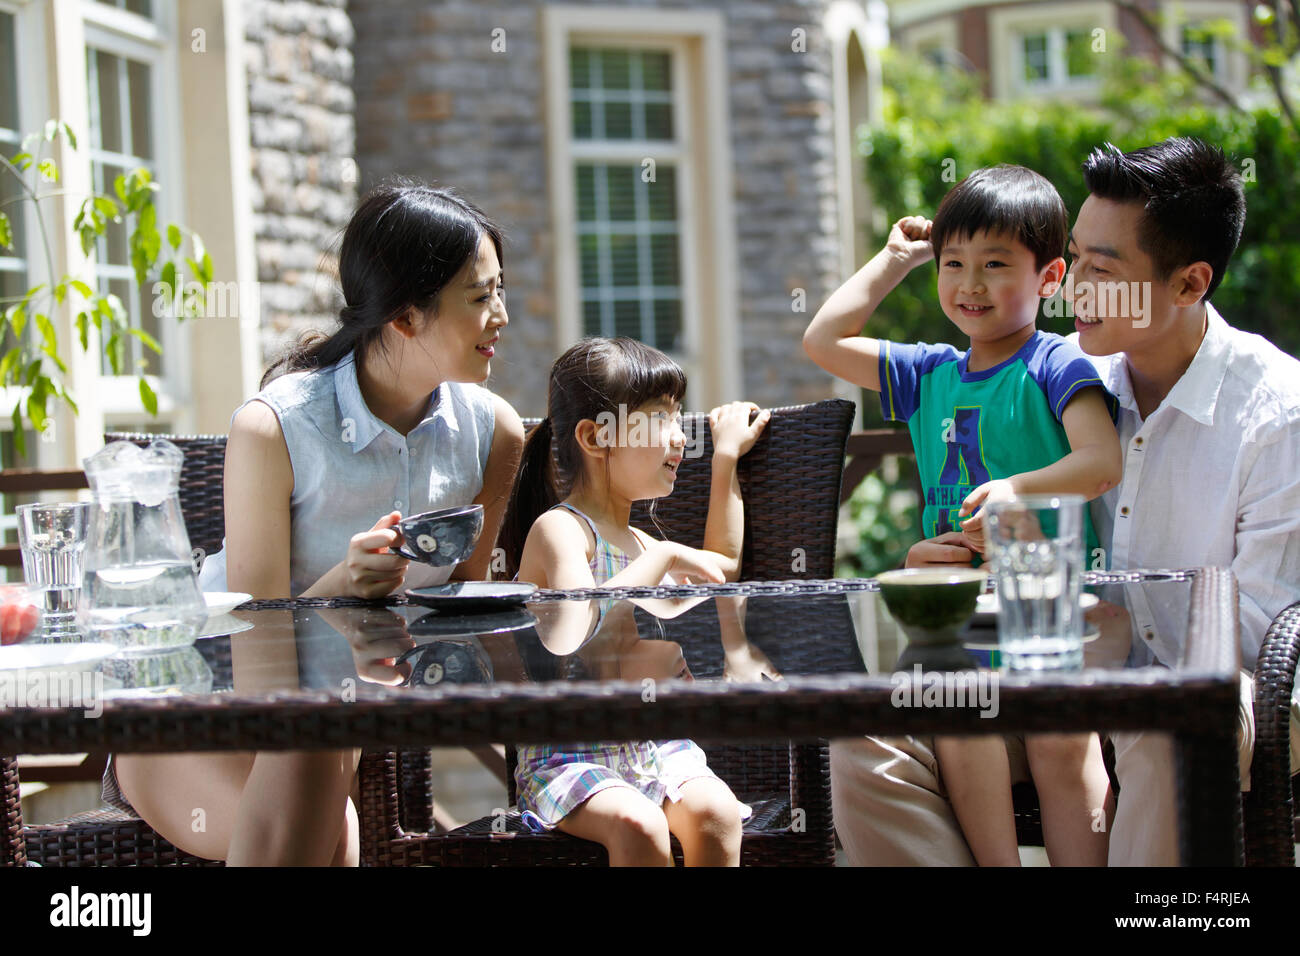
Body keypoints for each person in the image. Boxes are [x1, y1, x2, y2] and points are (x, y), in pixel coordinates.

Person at [829, 137, 1300, 866]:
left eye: (1098, 270)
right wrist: (950, 561)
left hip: (1199, 691)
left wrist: (1107, 671)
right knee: (871, 730)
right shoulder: (1069, 376)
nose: (1069, 285)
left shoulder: (1277, 415)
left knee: (1163, 724)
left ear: (1188, 283)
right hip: (1050, 671)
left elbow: (1261, 638)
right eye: (1072, 258)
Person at [109, 181, 526, 865]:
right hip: (198, 716)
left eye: (501, 291)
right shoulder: (276, 427)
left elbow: (467, 617)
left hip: (334, 730)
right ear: (403, 317)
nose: (501, 315)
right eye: (480, 297)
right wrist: (339, 589)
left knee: (326, 798)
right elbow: (257, 673)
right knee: (322, 805)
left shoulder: (492, 433)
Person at [804, 165, 1123, 865]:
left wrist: (1015, 490)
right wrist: (893, 261)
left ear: (1049, 278)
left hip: (1057, 603)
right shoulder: (929, 374)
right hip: (964, 614)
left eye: (995, 265)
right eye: (953, 264)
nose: (969, 284)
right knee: (956, 711)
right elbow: (824, 341)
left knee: (1056, 736)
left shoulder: (1056, 362)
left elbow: (1101, 461)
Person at [500, 336, 770, 866]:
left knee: (716, 814)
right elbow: (577, 621)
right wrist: (665, 556)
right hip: (568, 753)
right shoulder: (559, 530)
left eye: (680, 418)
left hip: (652, 749)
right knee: (637, 824)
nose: (678, 438)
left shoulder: (643, 544)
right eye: (660, 420)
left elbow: (722, 567)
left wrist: (725, 458)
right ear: (595, 437)